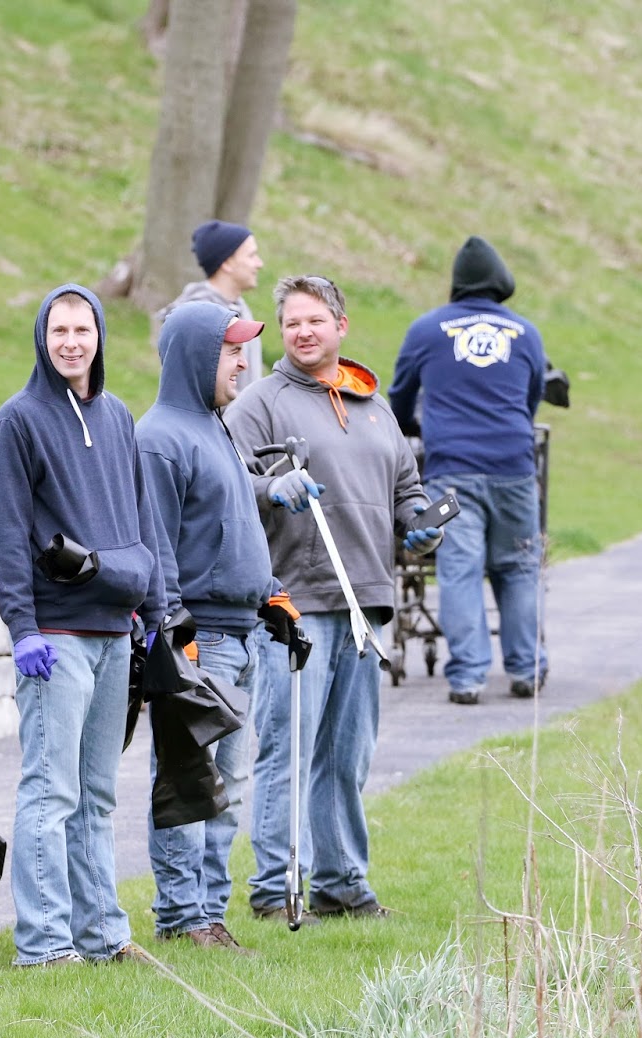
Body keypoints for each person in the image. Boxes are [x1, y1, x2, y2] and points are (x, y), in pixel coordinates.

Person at [225, 274, 433, 921]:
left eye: (315, 320)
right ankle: (274, 888)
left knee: (347, 755)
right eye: (292, 322)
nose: (303, 332)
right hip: (296, 606)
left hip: (365, 602)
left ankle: (342, 883)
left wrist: (418, 520)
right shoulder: (258, 405)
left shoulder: (374, 404)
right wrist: (270, 490)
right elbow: (226, 483)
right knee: (289, 750)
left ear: (341, 326)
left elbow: (406, 488)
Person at [0, 284, 168, 966]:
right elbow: (6, 533)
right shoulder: (17, 422)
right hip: (55, 637)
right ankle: (43, 942)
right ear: (42, 336)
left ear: (99, 337)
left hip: (116, 633)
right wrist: (22, 627)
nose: (70, 342)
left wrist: (154, 611)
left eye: (81, 330)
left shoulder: (119, 416)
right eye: (58, 330)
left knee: (97, 795)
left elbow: (144, 520)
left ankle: (103, 936)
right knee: (50, 792)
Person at [136, 300, 273, 952]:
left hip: (241, 633)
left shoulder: (217, 428)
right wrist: (172, 630)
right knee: (188, 781)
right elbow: (155, 543)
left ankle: (210, 915)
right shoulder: (160, 438)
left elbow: (235, 528)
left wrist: (271, 594)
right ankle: (181, 916)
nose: (242, 363)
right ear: (196, 355)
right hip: (200, 638)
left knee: (228, 787)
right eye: (231, 350)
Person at [388, 236, 549, 705]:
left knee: (459, 570)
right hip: (515, 467)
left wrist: (415, 424)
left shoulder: (426, 330)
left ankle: (468, 677)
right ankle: (526, 668)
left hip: (451, 470)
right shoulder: (526, 333)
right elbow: (532, 398)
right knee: (518, 568)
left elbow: (400, 395)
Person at [163, 220, 265, 390]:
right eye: (251, 256)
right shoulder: (199, 320)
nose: (259, 264)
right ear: (227, 263)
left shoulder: (240, 307)